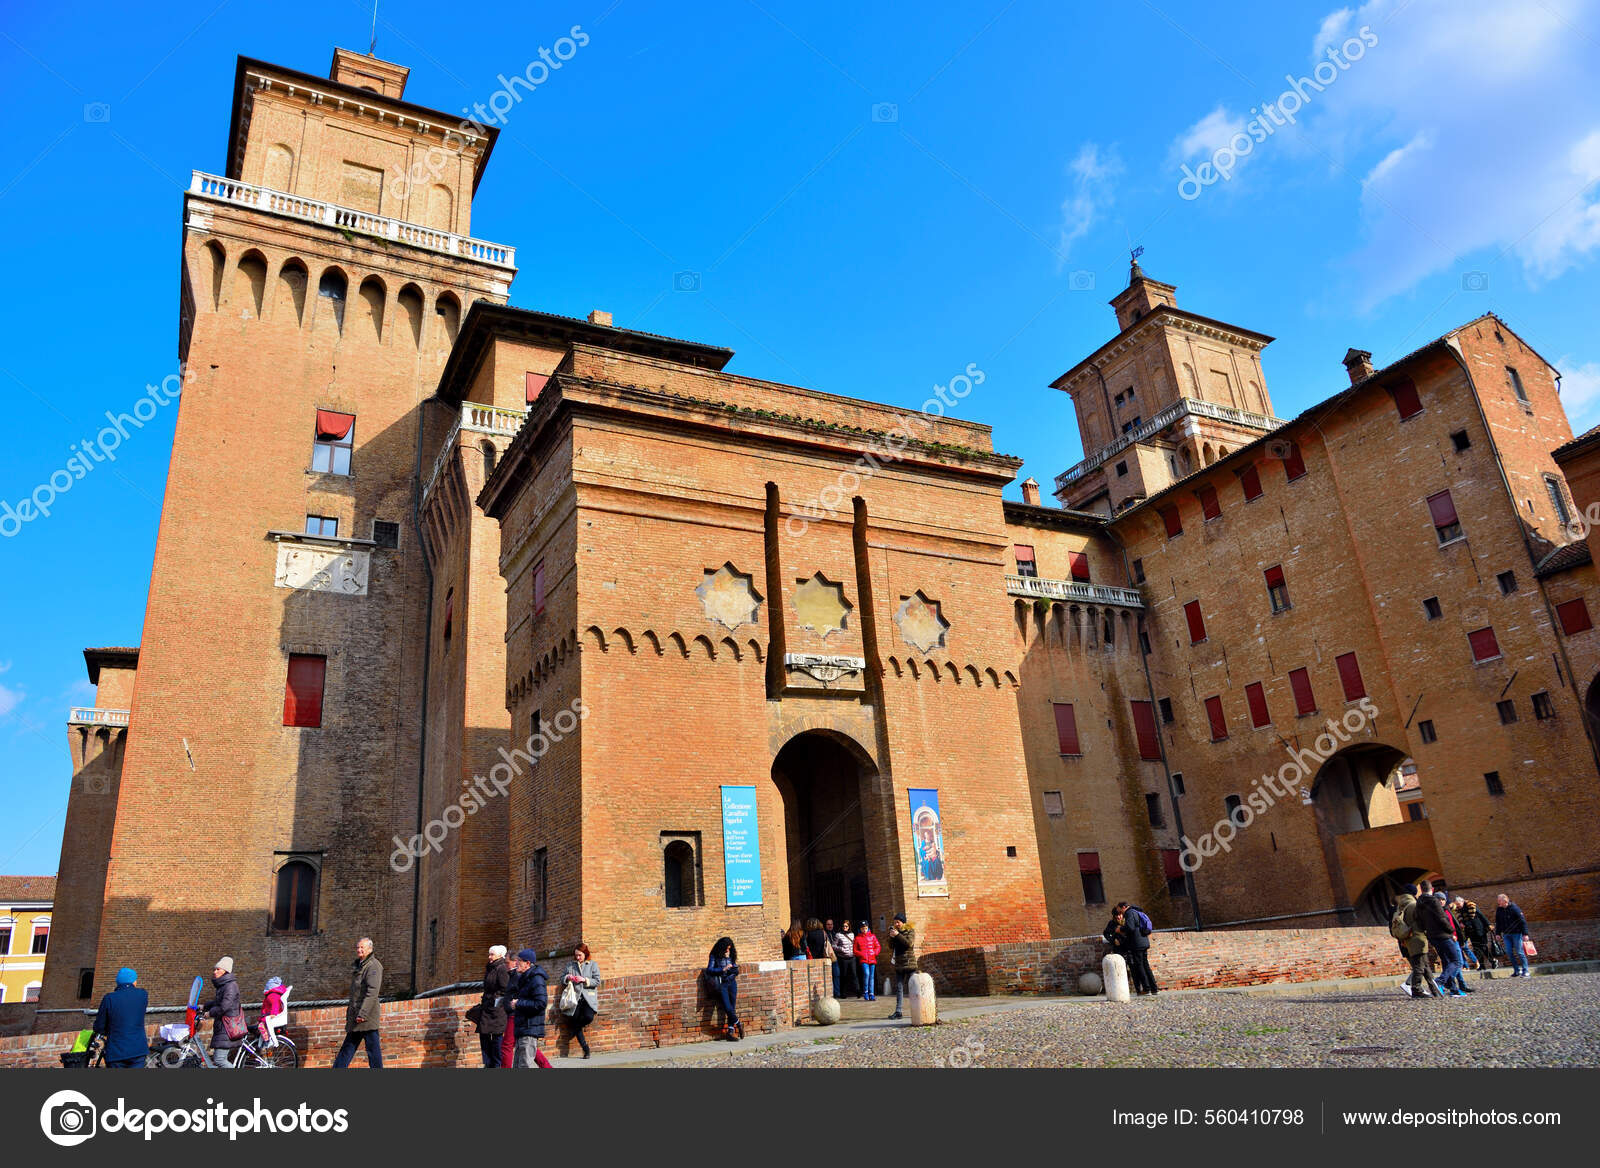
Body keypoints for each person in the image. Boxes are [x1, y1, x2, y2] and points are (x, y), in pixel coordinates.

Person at [333, 936, 384, 1068]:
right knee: (348, 1048)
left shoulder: (373, 966)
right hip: (357, 1016)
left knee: (373, 1050)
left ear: (370, 949)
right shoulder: (361, 965)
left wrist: (363, 1014)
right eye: (358, 947)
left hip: (366, 1017)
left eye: (362, 947)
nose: (359, 950)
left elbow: (372, 992)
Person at [92, 967, 149, 1068]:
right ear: (134, 982)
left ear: (118, 982)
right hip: (138, 1049)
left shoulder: (109, 998)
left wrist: (105, 1031)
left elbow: (100, 1025)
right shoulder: (143, 995)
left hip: (116, 1051)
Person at [1415, 884, 1465, 997]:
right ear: (1432, 889)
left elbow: (1419, 920)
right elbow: (1442, 918)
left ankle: (1453, 989)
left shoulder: (1419, 902)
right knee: (1456, 961)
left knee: (1447, 962)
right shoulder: (1433, 901)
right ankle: (1440, 982)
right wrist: (1451, 931)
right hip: (1444, 935)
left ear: (1421, 890)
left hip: (1432, 936)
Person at [1392, 885, 1442, 1000]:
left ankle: (1434, 989)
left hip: (1409, 939)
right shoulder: (1414, 905)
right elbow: (1422, 921)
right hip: (1418, 937)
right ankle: (1416, 989)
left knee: (1424, 965)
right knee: (1419, 966)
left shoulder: (1401, 906)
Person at [509, 948, 552, 1068]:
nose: (516, 963)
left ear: (528, 963)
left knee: (524, 1065)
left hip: (529, 1028)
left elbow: (540, 1003)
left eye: (519, 961)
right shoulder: (525, 978)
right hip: (522, 1028)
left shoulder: (536, 979)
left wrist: (518, 1003)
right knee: (518, 1065)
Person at [201, 956, 244, 1068]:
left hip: (228, 1027)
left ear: (225, 971)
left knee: (219, 1060)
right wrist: (204, 1006)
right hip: (223, 1026)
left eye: (218, 969)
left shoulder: (230, 986)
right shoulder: (223, 985)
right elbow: (218, 1002)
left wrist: (209, 1013)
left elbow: (224, 1006)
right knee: (220, 1060)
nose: (215, 972)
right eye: (215, 969)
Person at [560, 943, 601, 1058]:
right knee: (574, 1020)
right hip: (575, 999)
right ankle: (585, 1049)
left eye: (580, 955)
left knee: (588, 1017)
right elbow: (561, 978)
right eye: (576, 955)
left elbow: (597, 981)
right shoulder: (570, 965)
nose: (577, 958)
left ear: (585, 954)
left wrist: (584, 980)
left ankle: (575, 1028)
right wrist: (567, 977)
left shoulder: (592, 965)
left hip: (588, 998)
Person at [476, 945, 512, 1067]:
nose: (489, 957)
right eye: (489, 954)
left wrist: (493, 999)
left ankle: (497, 1065)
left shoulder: (502, 968)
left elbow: (505, 989)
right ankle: (488, 1064)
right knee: (484, 1036)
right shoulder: (490, 967)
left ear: (500, 955)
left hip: (497, 1010)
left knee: (496, 1039)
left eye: (492, 954)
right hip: (487, 1009)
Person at [705, 937, 743, 1041]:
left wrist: (733, 969)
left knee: (732, 1007)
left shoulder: (731, 954)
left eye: (729, 948)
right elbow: (709, 970)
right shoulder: (714, 955)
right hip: (722, 984)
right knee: (727, 1007)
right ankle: (738, 1023)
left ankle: (730, 1032)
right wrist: (723, 969)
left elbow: (736, 971)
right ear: (722, 947)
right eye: (726, 948)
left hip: (732, 983)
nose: (728, 950)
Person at [1119, 902, 1159, 995]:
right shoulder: (1137, 911)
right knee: (1146, 965)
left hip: (1137, 943)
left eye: (1120, 909)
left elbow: (1130, 927)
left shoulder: (1129, 913)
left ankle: (1146, 988)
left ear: (1124, 907)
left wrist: (1120, 929)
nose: (1120, 912)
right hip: (1143, 941)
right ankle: (1154, 988)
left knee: (1140, 965)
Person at [887, 913, 918, 1019]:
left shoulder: (910, 931)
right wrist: (891, 937)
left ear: (903, 922)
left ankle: (919, 1008)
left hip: (909, 964)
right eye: (895, 922)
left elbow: (909, 944)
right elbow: (890, 946)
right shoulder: (895, 932)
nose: (896, 924)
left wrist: (897, 935)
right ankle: (898, 1011)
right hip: (899, 964)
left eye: (898, 922)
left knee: (914, 987)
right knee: (899, 988)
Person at [1495, 893, 1530, 977]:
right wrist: (1498, 933)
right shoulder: (1499, 910)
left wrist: (1525, 934)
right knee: (1509, 952)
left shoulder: (1514, 908)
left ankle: (1526, 970)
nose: (1498, 902)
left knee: (1520, 952)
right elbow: (1498, 922)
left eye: (1499, 900)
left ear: (1505, 900)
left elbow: (1522, 921)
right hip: (1506, 934)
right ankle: (1516, 970)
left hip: (1517, 933)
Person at [256, 976, 287, 1046]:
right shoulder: (274, 994)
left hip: (270, 1017)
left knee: (261, 1026)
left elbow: (275, 1005)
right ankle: (265, 1040)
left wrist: (273, 1014)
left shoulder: (273, 995)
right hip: (268, 1015)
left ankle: (268, 1041)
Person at [1462, 900, 1494, 970]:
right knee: (1476, 949)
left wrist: (1488, 924)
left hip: (1480, 930)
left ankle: (1492, 961)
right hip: (1471, 932)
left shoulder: (1472, 907)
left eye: (1459, 904)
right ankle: (1482, 965)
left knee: (1483, 947)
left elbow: (1482, 916)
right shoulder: (1461, 911)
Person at [855, 919, 881, 1000]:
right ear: (860, 929)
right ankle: (865, 992)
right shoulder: (857, 938)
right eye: (862, 928)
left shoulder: (872, 936)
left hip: (872, 959)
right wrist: (862, 954)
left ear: (868, 928)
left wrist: (874, 953)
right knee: (866, 974)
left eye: (865, 928)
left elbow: (878, 946)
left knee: (872, 976)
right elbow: (855, 950)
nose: (864, 930)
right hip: (864, 960)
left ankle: (871, 993)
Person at [831, 920, 856, 999]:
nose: (845, 928)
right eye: (843, 926)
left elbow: (854, 944)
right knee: (843, 975)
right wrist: (841, 949)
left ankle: (857, 991)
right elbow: (833, 946)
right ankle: (843, 992)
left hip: (852, 957)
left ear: (849, 927)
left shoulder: (852, 934)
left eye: (846, 926)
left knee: (854, 974)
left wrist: (854, 951)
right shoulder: (838, 935)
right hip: (843, 958)